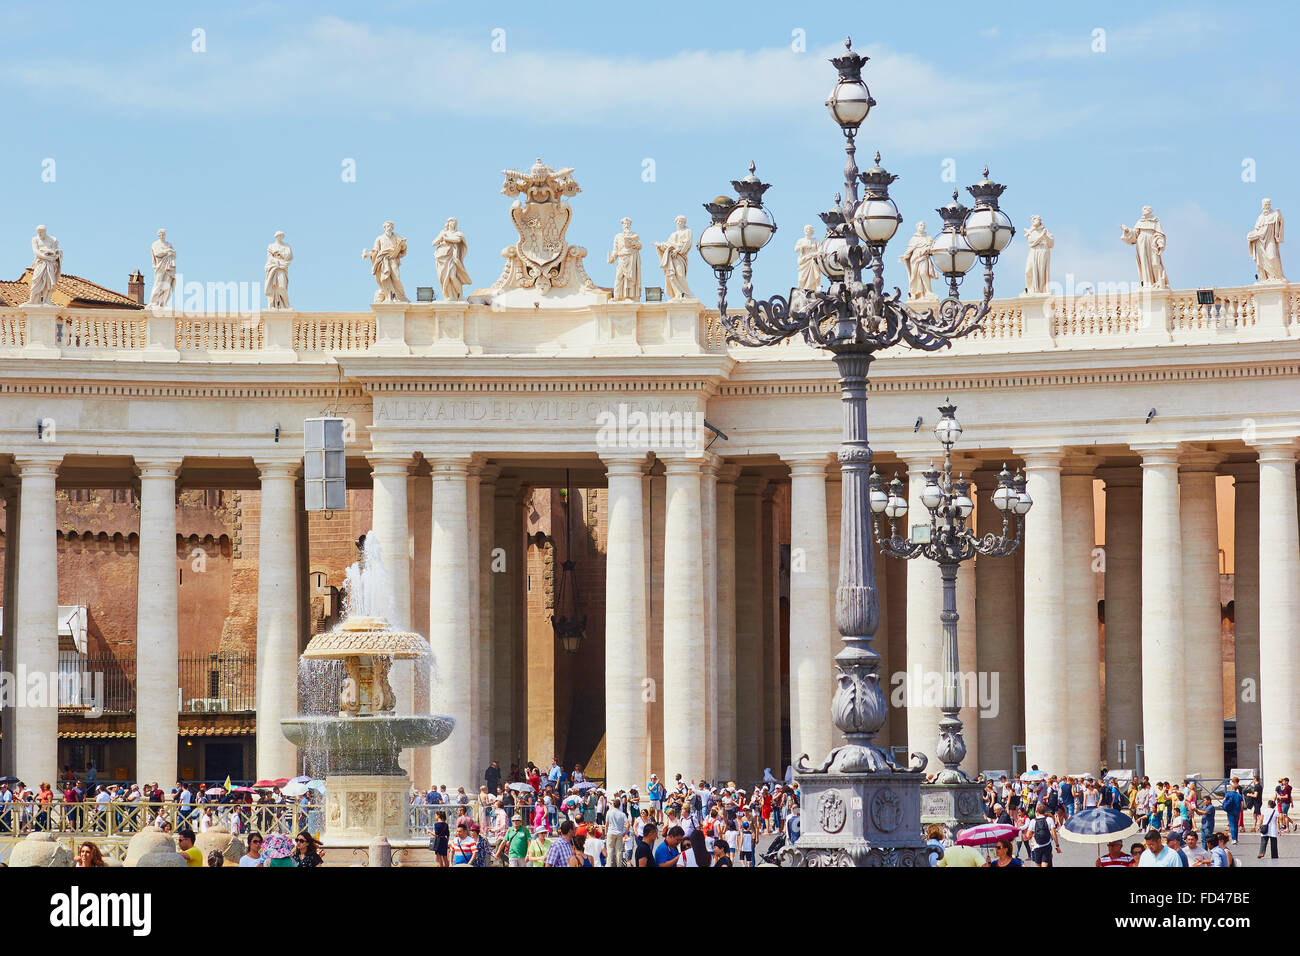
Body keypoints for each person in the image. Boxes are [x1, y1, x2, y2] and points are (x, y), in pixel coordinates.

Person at [1022, 802, 1060, 867]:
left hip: (1037, 846)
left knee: (1039, 864)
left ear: (1037, 812)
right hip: (1047, 845)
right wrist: (1057, 844)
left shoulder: (1033, 821)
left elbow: (1028, 835)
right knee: (1045, 863)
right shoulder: (1049, 819)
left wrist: (1034, 834)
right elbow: (1054, 833)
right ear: (1045, 812)